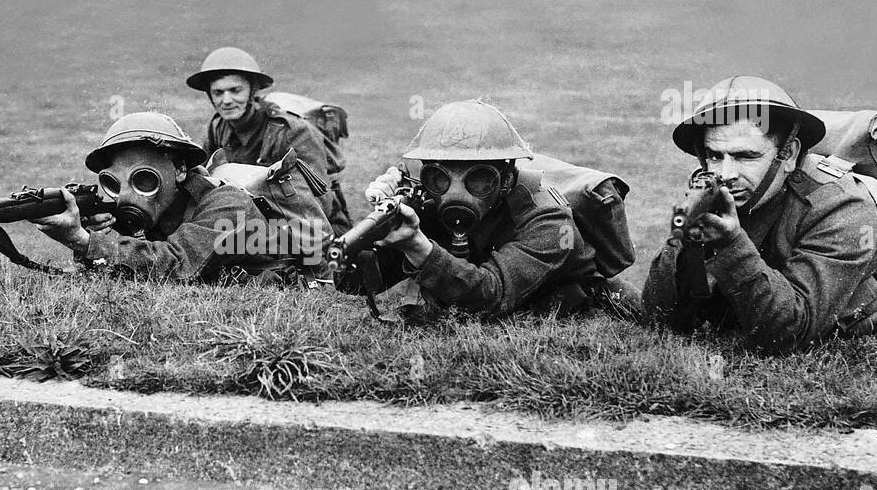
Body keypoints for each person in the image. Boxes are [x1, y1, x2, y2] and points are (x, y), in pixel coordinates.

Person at [641, 75, 877, 350]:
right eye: (714, 155)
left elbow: (791, 333)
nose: (726, 174)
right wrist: (685, 244)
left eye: (746, 156)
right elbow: (659, 317)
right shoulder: (718, 190)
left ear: (790, 154)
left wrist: (729, 244)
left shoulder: (842, 206)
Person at [352, 98, 608, 319]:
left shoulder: (550, 223)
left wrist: (418, 246)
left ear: (506, 179)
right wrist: (380, 224)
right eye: (440, 176)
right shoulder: (426, 201)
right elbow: (351, 284)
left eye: (478, 178)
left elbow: (492, 295)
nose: (455, 193)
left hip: (563, 298)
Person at [31, 112, 286, 282]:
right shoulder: (162, 211)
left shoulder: (229, 205)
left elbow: (179, 263)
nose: (126, 196)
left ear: (179, 170)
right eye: (114, 184)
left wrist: (83, 240)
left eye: (144, 180)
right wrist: (93, 236)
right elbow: (121, 273)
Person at [188, 46, 341, 233]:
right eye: (218, 93)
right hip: (245, 222)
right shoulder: (218, 127)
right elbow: (200, 178)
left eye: (235, 90)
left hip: (309, 228)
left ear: (252, 91)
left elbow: (319, 203)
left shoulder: (292, 131)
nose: (226, 100)